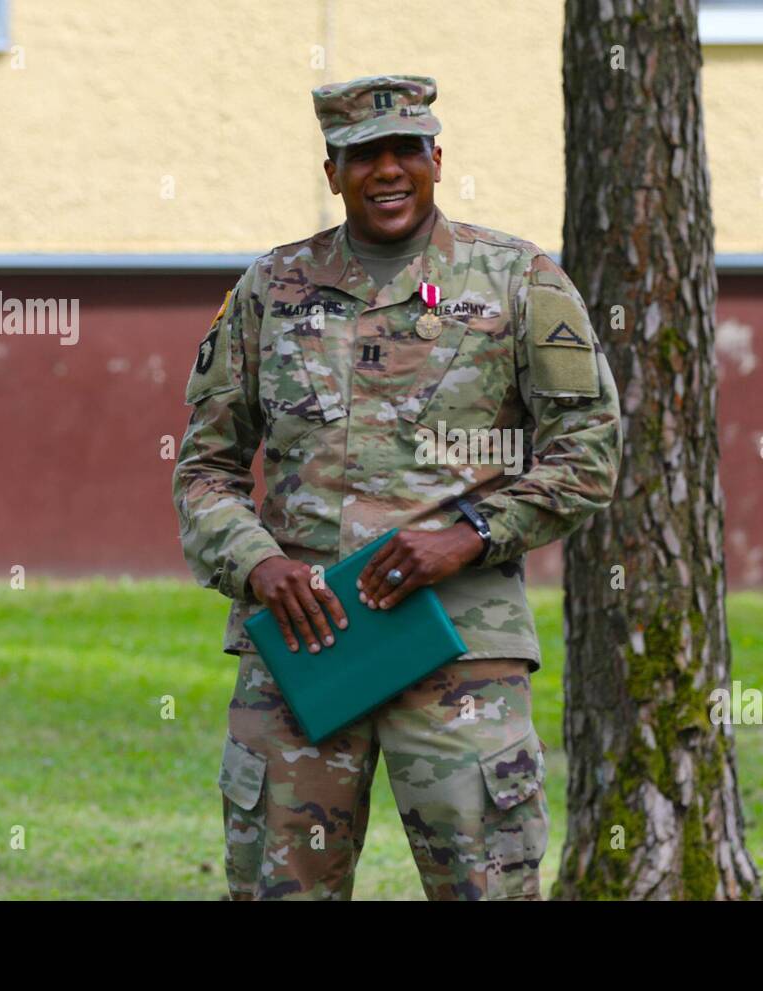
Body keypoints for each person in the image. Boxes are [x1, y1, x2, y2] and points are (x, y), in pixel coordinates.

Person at [172, 74, 622, 900]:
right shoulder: (270, 290)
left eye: (404, 150)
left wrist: (471, 534)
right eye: (363, 154)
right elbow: (204, 468)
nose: (386, 170)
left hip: (463, 653)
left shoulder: (519, 280)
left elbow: (590, 450)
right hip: (303, 649)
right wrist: (257, 565)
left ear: (437, 159)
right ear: (332, 169)